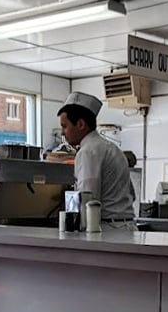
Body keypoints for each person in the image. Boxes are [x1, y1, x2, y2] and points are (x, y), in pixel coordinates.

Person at [57, 92, 134, 223]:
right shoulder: (112, 148)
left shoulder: (87, 152)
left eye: (65, 126)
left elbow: (87, 200)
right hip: (126, 225)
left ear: (81, 124)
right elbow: (132, 194)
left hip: (106, 228)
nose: (62, 133)